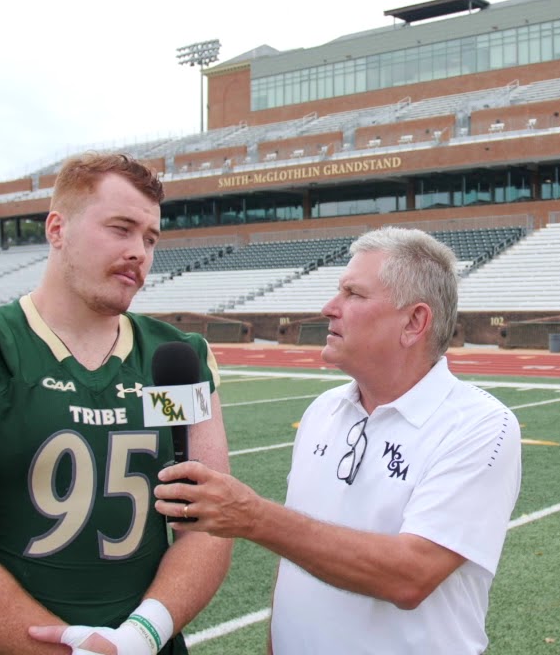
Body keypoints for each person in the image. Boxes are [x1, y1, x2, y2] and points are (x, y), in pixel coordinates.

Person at [0, 153, 233, 655]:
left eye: (150, 238)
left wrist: (140, 635)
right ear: (57, 228)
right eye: (121, 228)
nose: (139, 252)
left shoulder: (170, 363)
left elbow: (204, 526)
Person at [154, 227, 523, 654]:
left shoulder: (481, 426)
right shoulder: (323, 411)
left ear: (414, 322)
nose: (330, 308)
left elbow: (410, 576)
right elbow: (294, 564)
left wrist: (253, 517)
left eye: (353, 294)